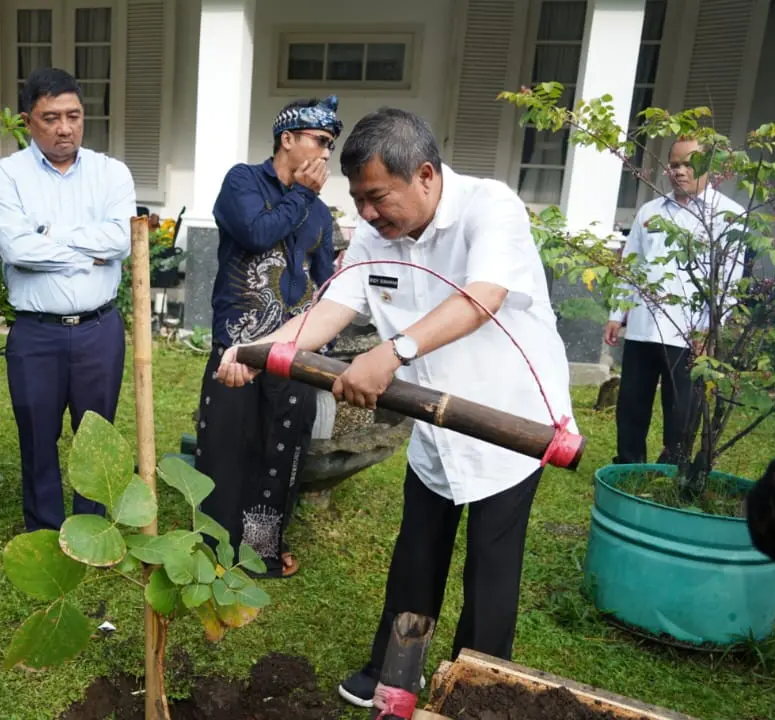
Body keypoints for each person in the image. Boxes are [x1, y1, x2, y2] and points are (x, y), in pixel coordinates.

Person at [215, 108, 576, 708]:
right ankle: (395, 676)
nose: (367, 213)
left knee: (490, 571)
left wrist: (393, 352)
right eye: (357, 199)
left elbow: (482, 297)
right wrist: (259, 349)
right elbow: (335, 306)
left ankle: (478, 691)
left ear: (426, 176)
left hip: (508, 425)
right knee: (416, 554)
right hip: (434, 421)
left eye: (378, 197)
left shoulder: (492, 208)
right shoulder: (375, 233)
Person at [194, 96, 341, 578]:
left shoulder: (320, 213)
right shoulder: (242, 182)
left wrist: (325, 344)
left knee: (280, 452)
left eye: (331, 145)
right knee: (225, 450)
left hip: (290, 353)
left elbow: (324, 281)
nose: (326, 153)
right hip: (238, 347)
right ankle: (215, 553)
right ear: (287, 139)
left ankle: (260, 552)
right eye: (320, 141)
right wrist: (301, 194)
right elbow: (257, 233)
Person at [0, 68, 135, 532]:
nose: (64, 128)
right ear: (28, 121)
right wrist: (86, 252)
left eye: (73, 115)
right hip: (36, 333)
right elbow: (17, 249)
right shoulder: (6, 176)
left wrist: (50, 235)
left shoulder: (112, 173)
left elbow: (121, 241)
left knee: (96, 436)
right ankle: (46, 531)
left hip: (98, 329)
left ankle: (91, 529)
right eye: (51, 118)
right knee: (37, 436)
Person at [603, 138, 745, 465]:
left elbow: (728, 282)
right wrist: (617, 313)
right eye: (674, 164)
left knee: (681, 408)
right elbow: (632, 265)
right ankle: (628, 465)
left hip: (689, 333)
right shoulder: (649, 212)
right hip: (641, 327)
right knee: (632, 405)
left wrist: (711, 332)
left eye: (687, 165)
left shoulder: (728, 216)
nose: (678, 172)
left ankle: (673, 469)